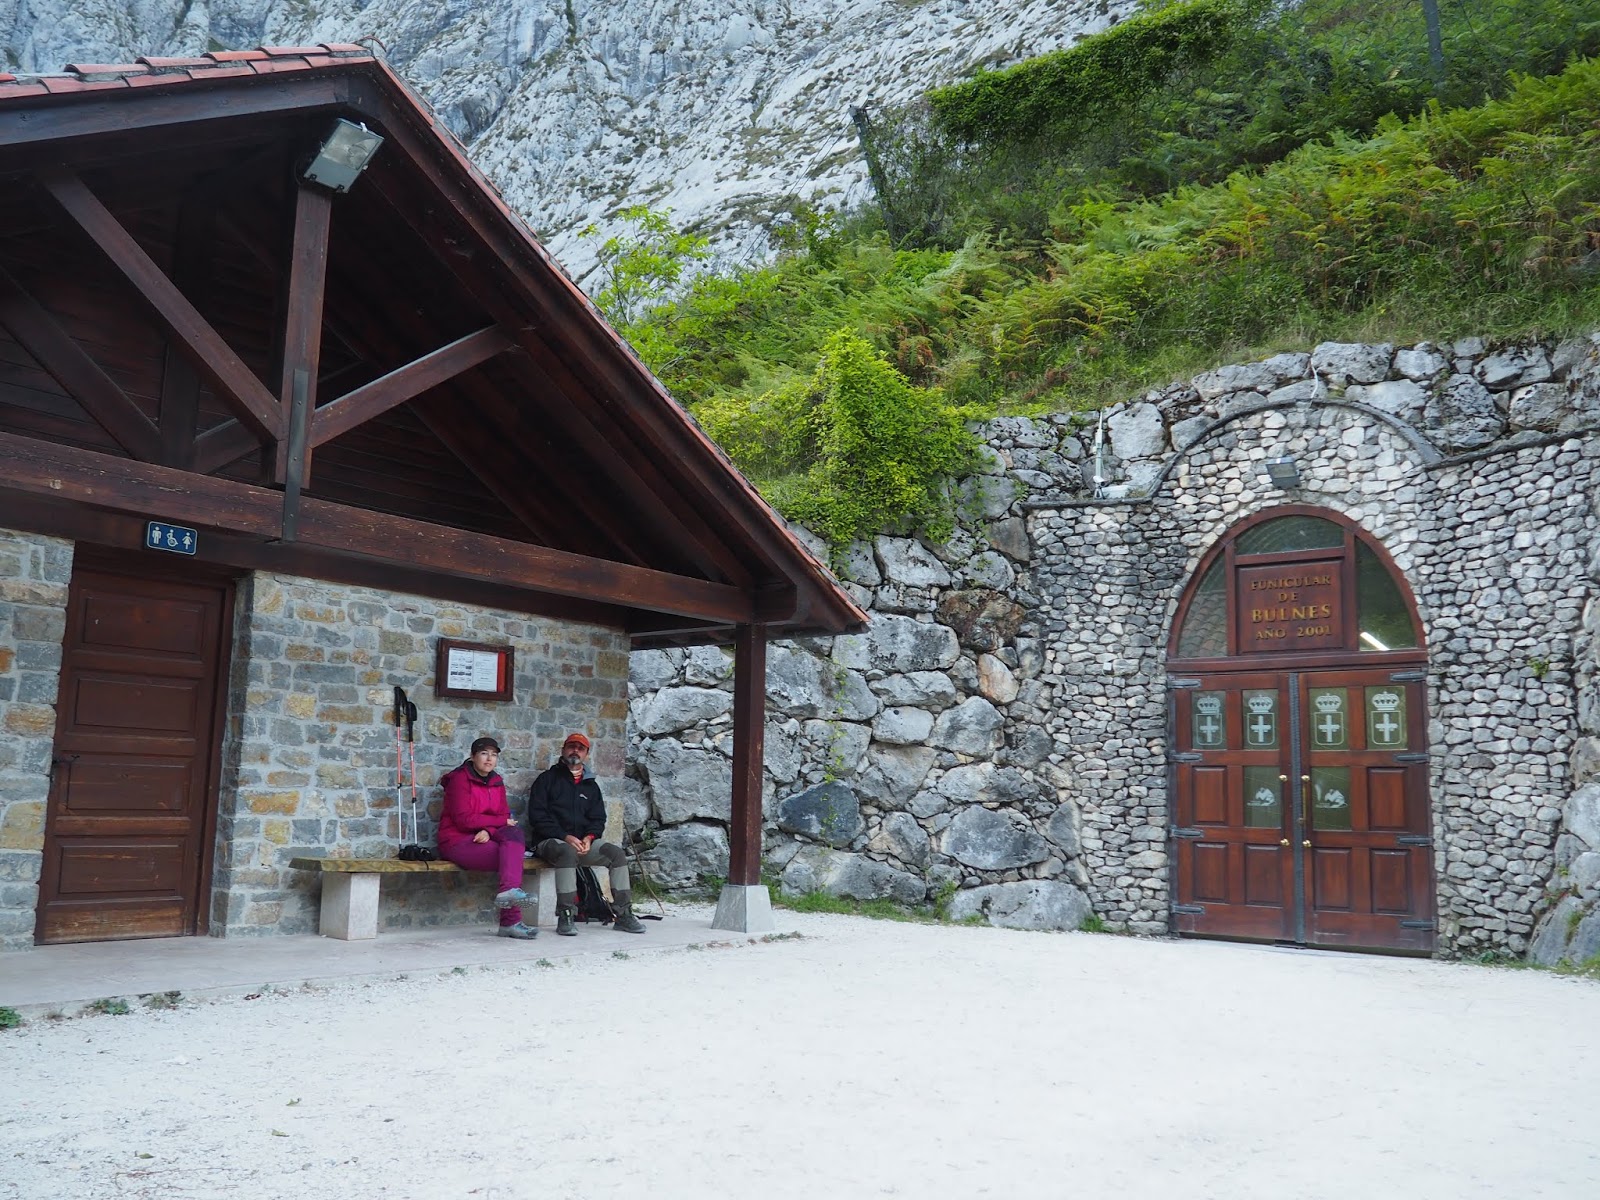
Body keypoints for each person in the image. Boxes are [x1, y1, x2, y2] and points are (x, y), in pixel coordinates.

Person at [526, 732, 645, 935]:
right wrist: (565, 837)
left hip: (582, 843)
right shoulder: (547, 780)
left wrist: (589, 838)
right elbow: (537, 817)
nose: (575, 751)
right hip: (550, 842)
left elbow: (598, 819)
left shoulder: (591, 786)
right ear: (563, 751)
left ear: (586, 754)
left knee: (616, 854)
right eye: (571, 747)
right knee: (567, 852)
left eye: (580, 748)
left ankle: (623, 914)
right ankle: (566, 915)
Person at [437, 736, 536, 939]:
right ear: (473, 757)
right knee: (511, 858)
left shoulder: (496, 781)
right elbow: (463, 819)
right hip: (457, 841)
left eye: (494, 755)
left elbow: (504, 818)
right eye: (484, 754)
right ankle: (511, 922)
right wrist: (494, 824)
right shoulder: (459, 780)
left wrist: (489, 830)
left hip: (485, 836)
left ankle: (508, 894)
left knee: (515, 834)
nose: (489, 759)